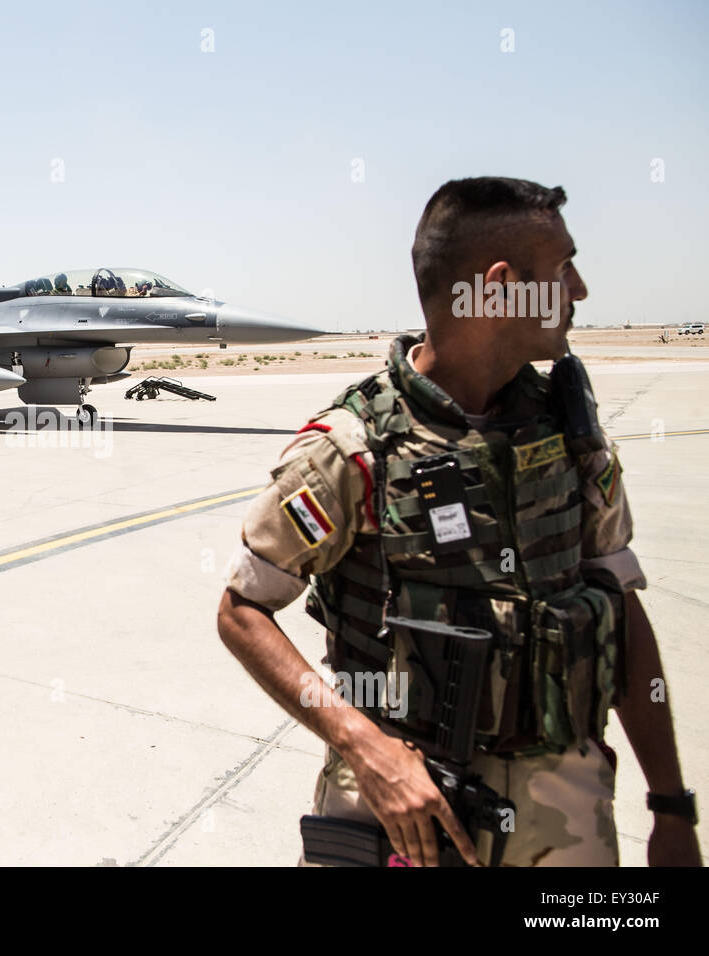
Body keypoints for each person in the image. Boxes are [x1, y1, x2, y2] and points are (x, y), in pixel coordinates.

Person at [217, 176, 700, 867]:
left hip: (566, 819)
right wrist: (365, 747)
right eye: (563, 268)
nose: (582, 290)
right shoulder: (353, 449)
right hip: (407, 814)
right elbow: (241, 611)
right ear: (500, 287)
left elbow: (619, 613)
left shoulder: (570, 434)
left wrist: (671, 804)